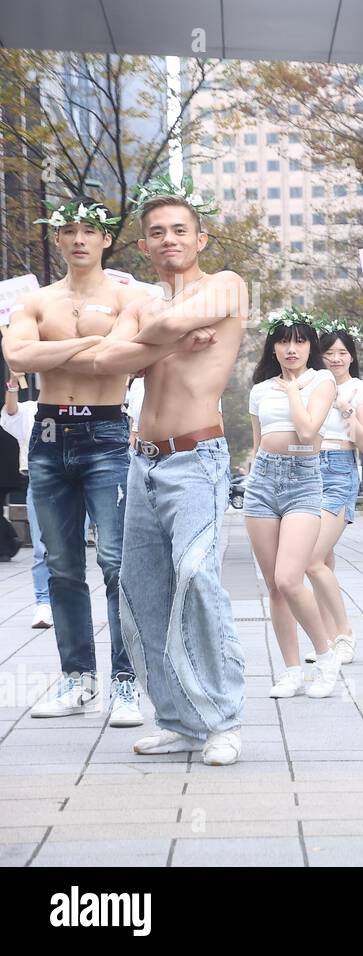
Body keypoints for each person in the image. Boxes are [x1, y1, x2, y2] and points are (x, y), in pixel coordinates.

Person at [90, 175, 248, 765]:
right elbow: (107, 359)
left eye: (180, 229)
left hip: (195, 456)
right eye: (156, 232)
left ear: (201, 238)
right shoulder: (141, 301)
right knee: (144, 590)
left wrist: (152, 336)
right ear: (145, 245)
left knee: (198, 579)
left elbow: (134, 343)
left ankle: (224, 719)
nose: (168, 239)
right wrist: (170, 340)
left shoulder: (228, 284)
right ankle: (180, 720)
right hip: (143, 461)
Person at [1, 198, 149, 727]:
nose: (80, 238)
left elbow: (124, 357)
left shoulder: (130, 295)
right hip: (48, 430)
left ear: (107, 239)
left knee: (114, 562)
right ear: (57, 240)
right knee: (62, 566)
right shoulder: (36, 301)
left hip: (106, 431)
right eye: (69, 230)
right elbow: (18, 357)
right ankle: (77, 678)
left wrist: (59, 349)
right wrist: (90, 342)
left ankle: (127, 682)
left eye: (90, 230)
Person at [245, 310, 341, 699]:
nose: (291, 349)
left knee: (290, 577)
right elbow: (257, 442)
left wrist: (291, 391)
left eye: (300, 341)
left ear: (310, 346)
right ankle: (291, 670)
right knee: (274, 587)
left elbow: (306, 430)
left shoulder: (322, 380)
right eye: (283, 341)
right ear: (273, 346)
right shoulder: (258, 389)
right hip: (263, 481)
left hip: (303, 479)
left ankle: (326, 654)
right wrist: (252, 477)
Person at [309, 319, 363, 664]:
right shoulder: (309, 385)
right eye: (329, 352)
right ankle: (326, 639)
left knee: (310, 559)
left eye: (342, 352)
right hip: (306, 469)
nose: (336, 358)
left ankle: (345, 633)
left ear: (351, 356)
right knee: (321, 561)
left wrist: (345, 409)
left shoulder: (361, 389)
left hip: (338, 468)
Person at [2, 374, 52, 628]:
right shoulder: (30, 408)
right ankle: (43, 602)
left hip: (75, 477)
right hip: (40, 480)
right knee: (42, 546)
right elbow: (11, 411)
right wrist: (13, 383)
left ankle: (64, 601)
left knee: (72, 544)